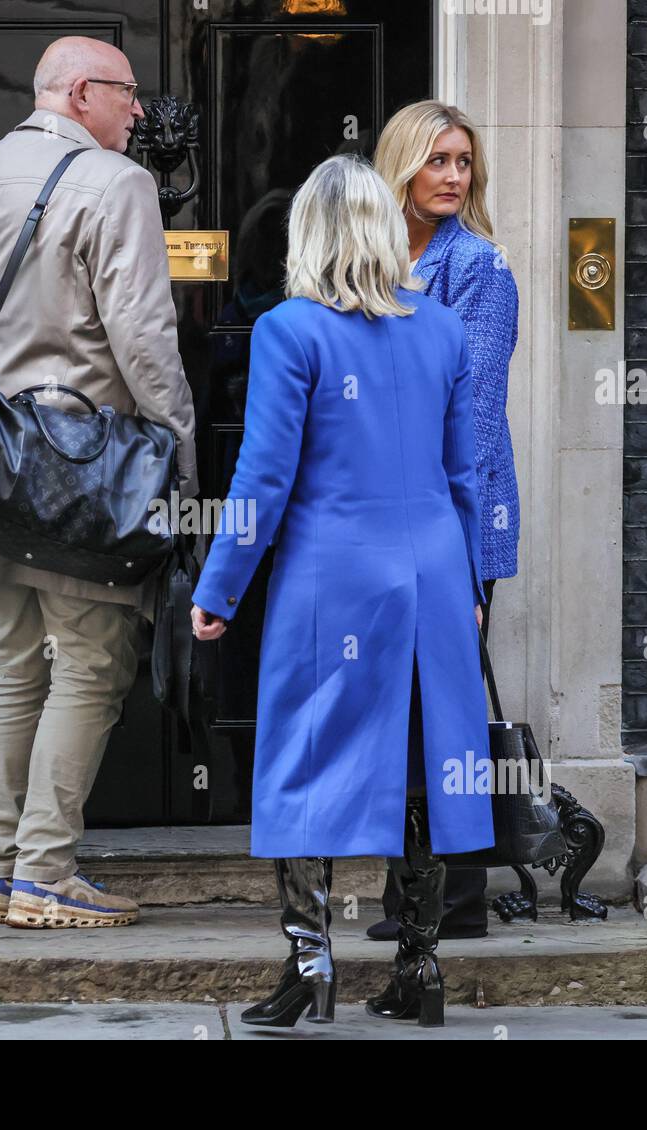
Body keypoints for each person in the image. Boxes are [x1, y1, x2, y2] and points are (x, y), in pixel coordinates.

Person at [190, 154, 494, 1028]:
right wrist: (469, 581)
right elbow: (462, 475)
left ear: (309, 235)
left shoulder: (291, 329)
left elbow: (263, 478)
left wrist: (221, 586)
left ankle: (311, 969)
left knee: (302, 761)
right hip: (432, 569)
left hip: (333, 574)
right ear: (385, 229)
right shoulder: (438, 328)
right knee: (427, 767)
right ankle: (420, 970)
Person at [0, 36, 197, 929]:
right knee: (89, 664)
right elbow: (142, 340)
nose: (139, 111)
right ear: (84, 92)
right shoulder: (116, 184)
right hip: (82, 468)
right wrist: (180, 453)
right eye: (127, 94)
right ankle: (46, 875)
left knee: (10, 665)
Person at [366, 100, 522, 943]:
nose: (454, 176)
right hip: (387, 520)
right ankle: (408, 898)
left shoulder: (481, 269)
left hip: (452, 520)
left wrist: (462, 566)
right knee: (395, 708)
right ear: (402, 168)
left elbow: (478, 417)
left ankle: (455, 901)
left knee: (446, 713)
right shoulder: (379, 261)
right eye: (438, 161)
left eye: (464, 161)